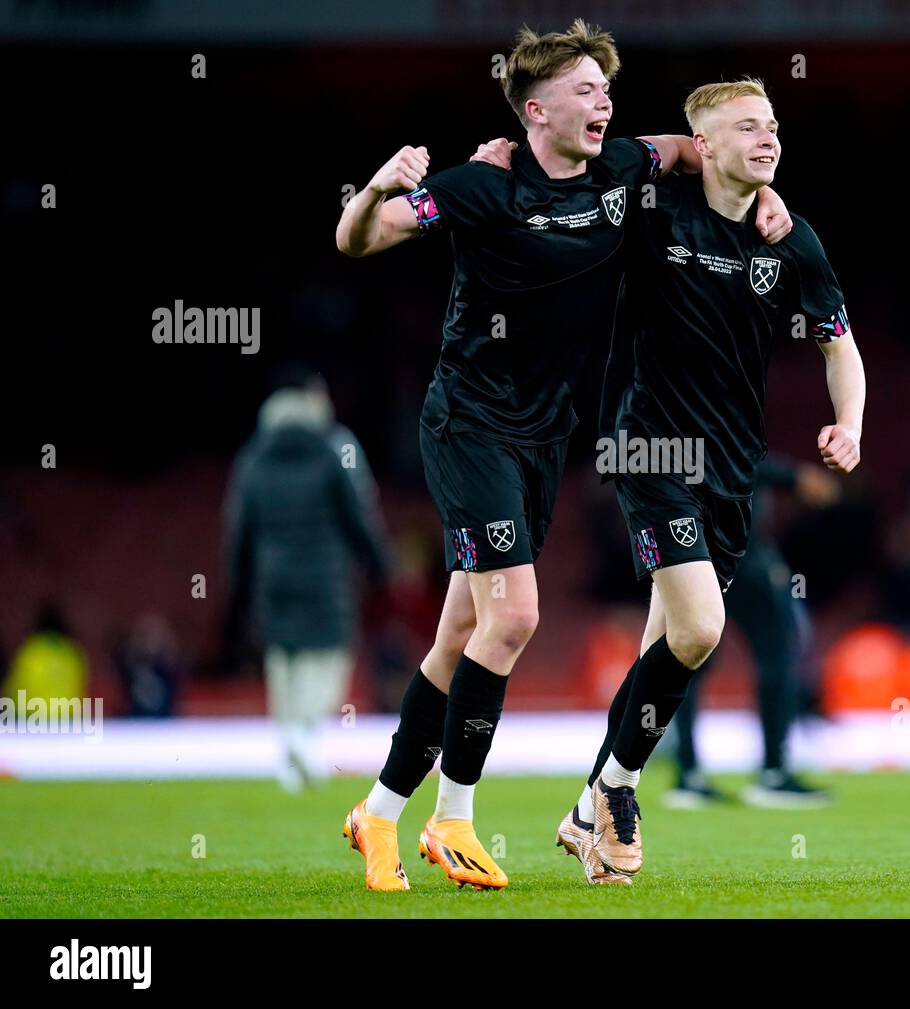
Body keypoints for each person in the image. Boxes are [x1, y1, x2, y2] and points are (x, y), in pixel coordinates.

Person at [334, 20, 791, 891]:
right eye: (586, 91)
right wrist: (375, 188)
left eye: (607, 90)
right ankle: (455, 819)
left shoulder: (622, 170)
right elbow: (360, 239)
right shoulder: (480, 186)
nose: (604, 103)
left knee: (462, 631)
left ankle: (379, 812)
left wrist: (772, 201)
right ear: (534, 109)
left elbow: (699, 151)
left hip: (548, 435)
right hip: (469, 423)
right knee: (513, 617)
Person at [554, 78, 866, 884]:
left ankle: (590, 809)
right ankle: (614, 793)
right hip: (649, 450)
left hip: (731, 470)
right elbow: (591, 164)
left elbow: (840, 345)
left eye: (773, 127)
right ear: (706, 146)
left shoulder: (791, 240)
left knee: (669, 645)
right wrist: (680, 149)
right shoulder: (654, 213)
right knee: (700, 629)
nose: (768, 139)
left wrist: (850, 422)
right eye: (746, 129)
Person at [224, 369, 392, 793]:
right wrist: (379, 564)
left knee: (283, 661)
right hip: (324, 575)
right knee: (329, 658)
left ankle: (290, 753)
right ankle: (303, 736)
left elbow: (238, 528)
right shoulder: (330, 451)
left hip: (272, 577)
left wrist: (238, 586)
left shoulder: (253, 457)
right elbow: (358, 516)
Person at [662, 456, 840, 810]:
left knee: (691, 658)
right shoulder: (721, 413)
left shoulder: (672, 419)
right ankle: (774, 771)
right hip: (739, 550)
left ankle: (688, 774)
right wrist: (794, 476)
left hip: (694, 547)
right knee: (777, 648)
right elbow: (735, 454)